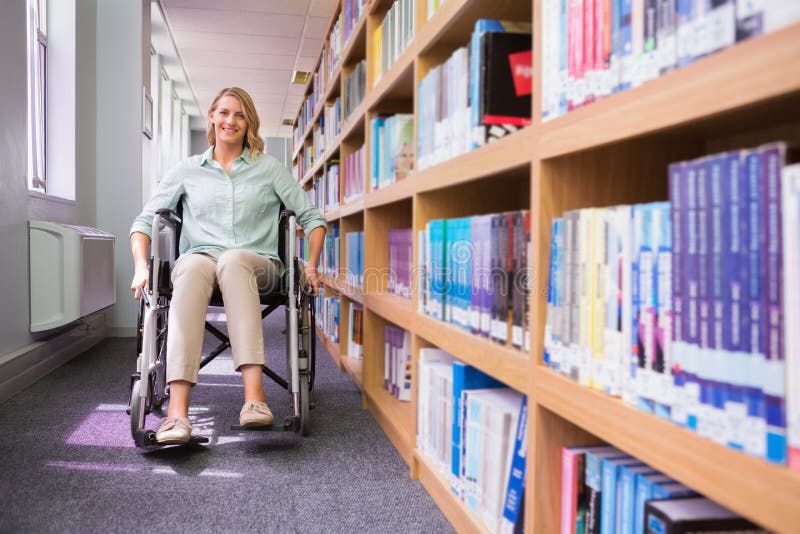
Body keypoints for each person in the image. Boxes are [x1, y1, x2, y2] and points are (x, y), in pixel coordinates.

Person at [129, 87, 326, 444]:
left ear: (248, 122)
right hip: (202, 262)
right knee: (188, 266)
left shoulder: (269, 169)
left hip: (257, 265)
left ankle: (254, 399)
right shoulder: (187, 170)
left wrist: (310, 265)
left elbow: (312, 217)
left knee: (234, 260)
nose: (230, 121)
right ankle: (177, 415)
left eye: (238, 114)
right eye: (223, 112)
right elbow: (144, 221)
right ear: (212, 117)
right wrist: (141, 267)